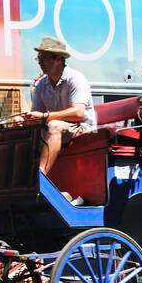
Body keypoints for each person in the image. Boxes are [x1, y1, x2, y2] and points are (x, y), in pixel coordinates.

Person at [13, 36, 96, 177]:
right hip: (56, 127)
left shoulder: (76, 78)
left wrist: (46, 116)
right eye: (38, 59)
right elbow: (37, 115)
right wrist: (25, 120)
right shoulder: (41, 85)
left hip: (81, 127)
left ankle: (40, 177)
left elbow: (78, 113)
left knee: (54, 125)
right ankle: (16, 178)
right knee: (19, 128)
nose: (39, 62)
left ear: (58, 59)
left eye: (43, 58)